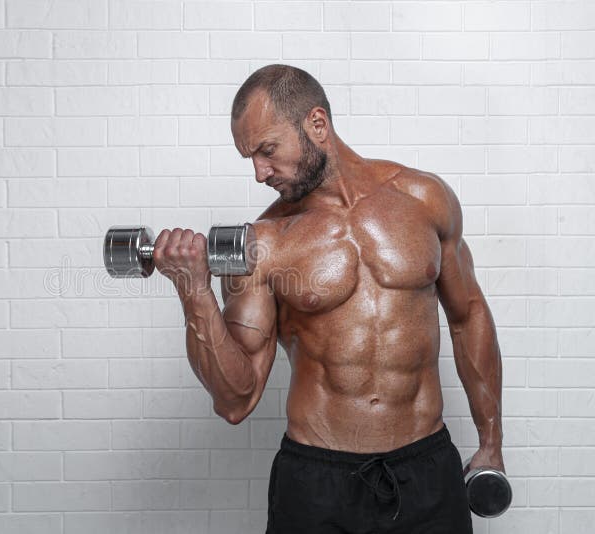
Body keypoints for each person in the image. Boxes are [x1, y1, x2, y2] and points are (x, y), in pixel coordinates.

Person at [152, 64, 504, 533]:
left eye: (267, 150)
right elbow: (235, 400)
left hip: (426, 471)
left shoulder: (425, 199)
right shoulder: (262, 245)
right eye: (250, 158)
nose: (259, 173)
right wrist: (193, 290)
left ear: (317, 124)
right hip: (318, 484)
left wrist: (491, 441)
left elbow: (468, 316)